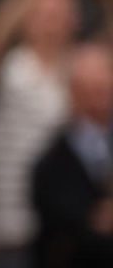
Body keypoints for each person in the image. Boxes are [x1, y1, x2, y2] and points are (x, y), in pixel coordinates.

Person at [31, 42, 113, 268]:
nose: (102, 93)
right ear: (73, 91)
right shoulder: (51, 166)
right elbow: (70, 233)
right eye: (93, 88)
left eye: (105, 84)